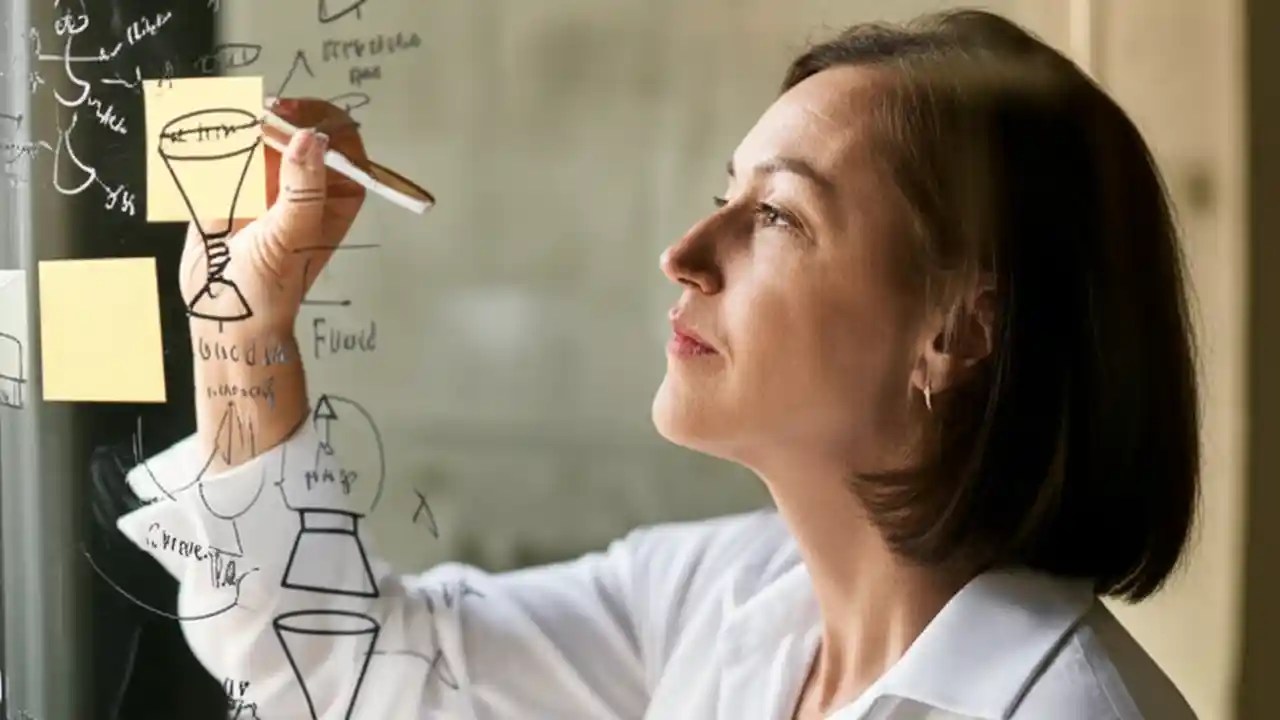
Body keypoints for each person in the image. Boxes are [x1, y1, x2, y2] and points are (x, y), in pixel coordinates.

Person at [118, 9, 1201, 719]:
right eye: (721, 192)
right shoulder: (719, 595)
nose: (682, 255)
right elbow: (349, 665)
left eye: (775, 214)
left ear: (957, 333)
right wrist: (242, 329)